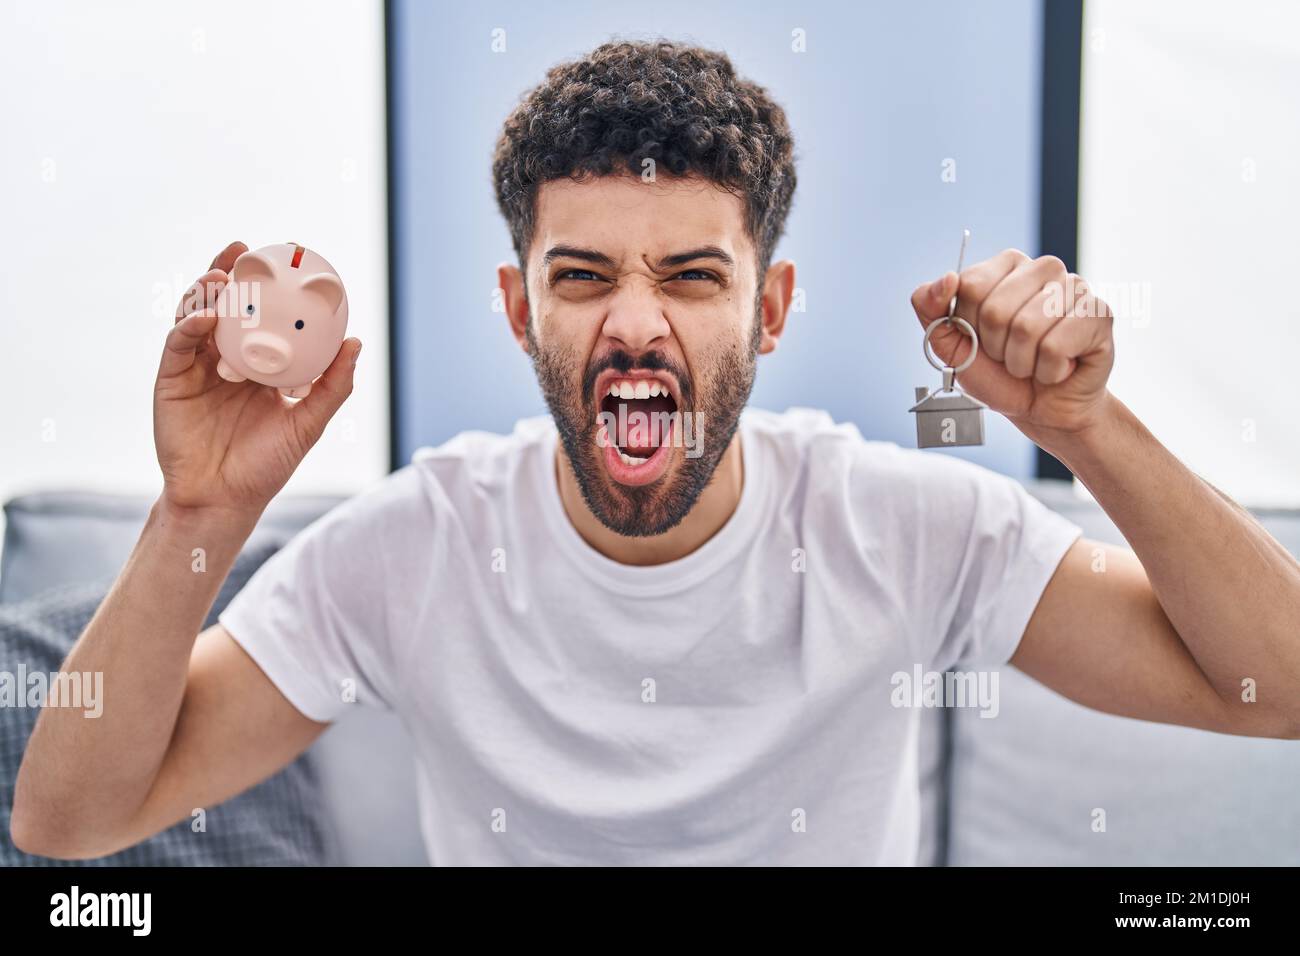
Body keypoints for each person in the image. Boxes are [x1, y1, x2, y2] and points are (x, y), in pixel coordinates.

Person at [13, 40, 1299, 866]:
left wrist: (1083, 427)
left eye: (691, 274)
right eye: (581, 276)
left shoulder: (905, 527)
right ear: (520, 311)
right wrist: (199, 508)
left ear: (772, 308)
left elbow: (1279, 687)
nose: (635, 319)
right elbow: (67, 821)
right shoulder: (409, 549)